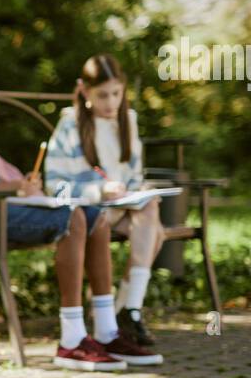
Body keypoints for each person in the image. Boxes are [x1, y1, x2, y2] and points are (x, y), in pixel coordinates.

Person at [0, 45, 159, 368]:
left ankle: (107, 332)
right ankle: (71, 340)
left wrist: (22, 188)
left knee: (96, 218)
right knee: (74, 217)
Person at [45, 53, 164, 351]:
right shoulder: (70, 126)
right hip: (89, 213)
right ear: (84, 91)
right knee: (156, 233)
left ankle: (128, 310)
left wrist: (134, 190)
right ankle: (123, 313)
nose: (111, 103)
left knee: (150, 208)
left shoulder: (128, 122)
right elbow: (54, 186)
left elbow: (134, 175)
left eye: (116, 93)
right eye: (102, 95)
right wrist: (100, 190)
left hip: (121, 209)